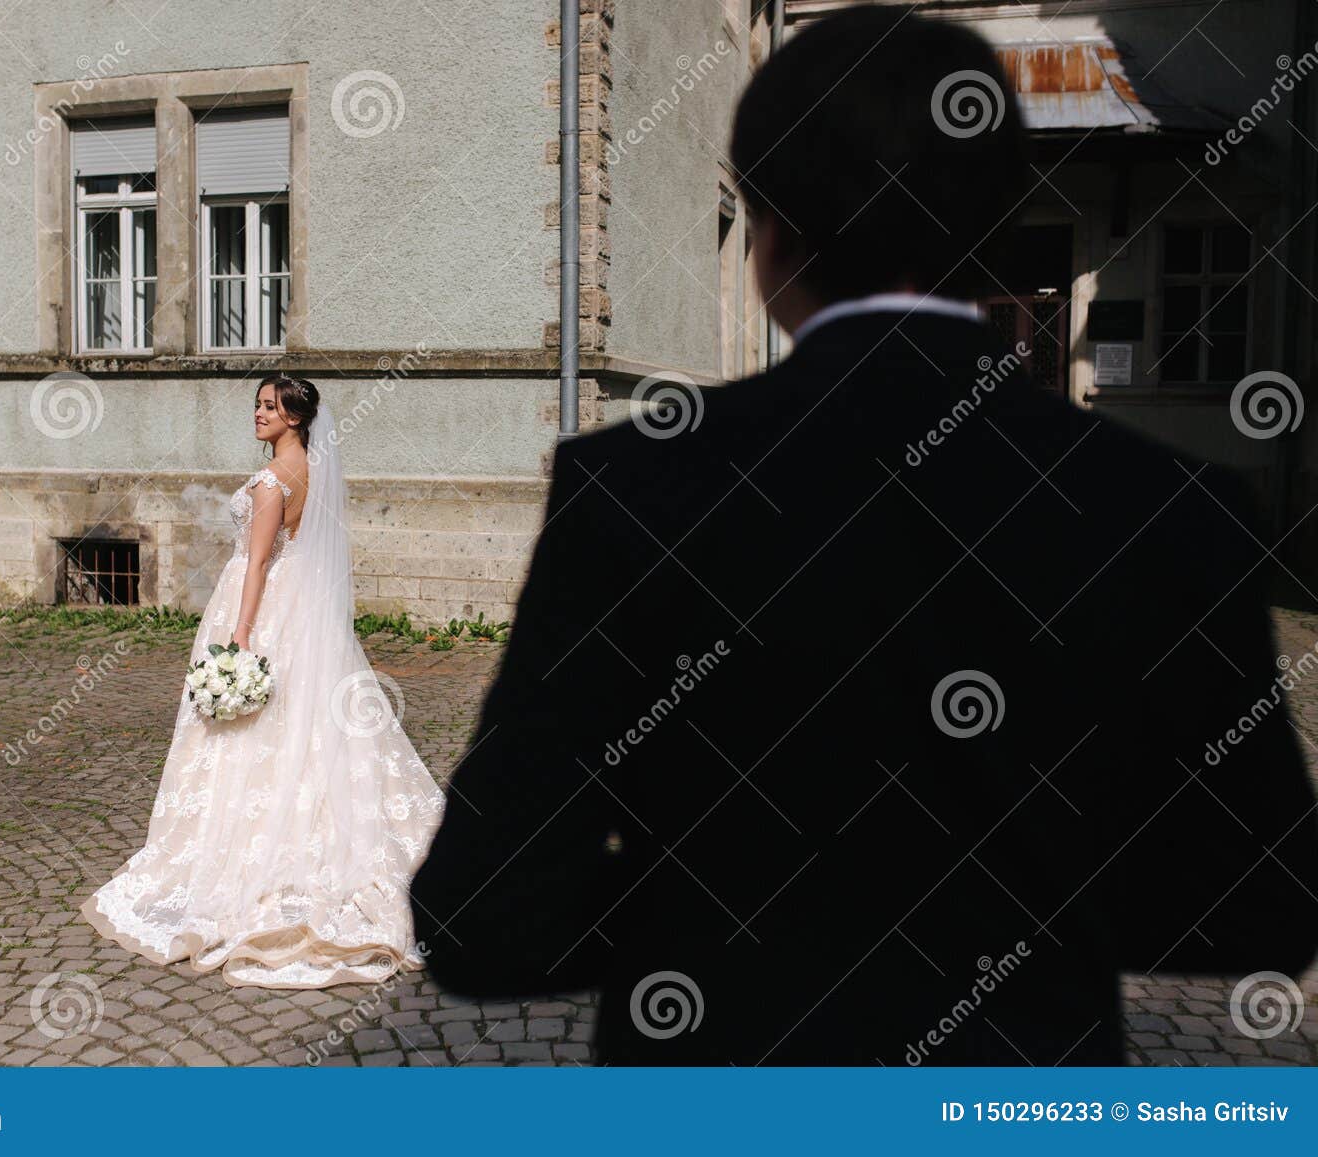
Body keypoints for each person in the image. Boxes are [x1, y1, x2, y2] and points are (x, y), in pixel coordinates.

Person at [411, 6, 1318, 1063]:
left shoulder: (632, 486)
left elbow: (482, 914)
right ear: (994, 228)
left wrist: (716, 916)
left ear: (770, 233)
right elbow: (1265, 902)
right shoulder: (1169, 502)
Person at [84, 376, 445, 988]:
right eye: (257, 405)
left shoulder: (276, 479)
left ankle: (251, 850)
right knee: (303, 724)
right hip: (297, 609)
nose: (259, 414)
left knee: (251, 729)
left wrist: (241, 636)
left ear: (295, 419)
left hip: (258, 606)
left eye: (270, 408)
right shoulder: (311, 468)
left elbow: (256, 561)